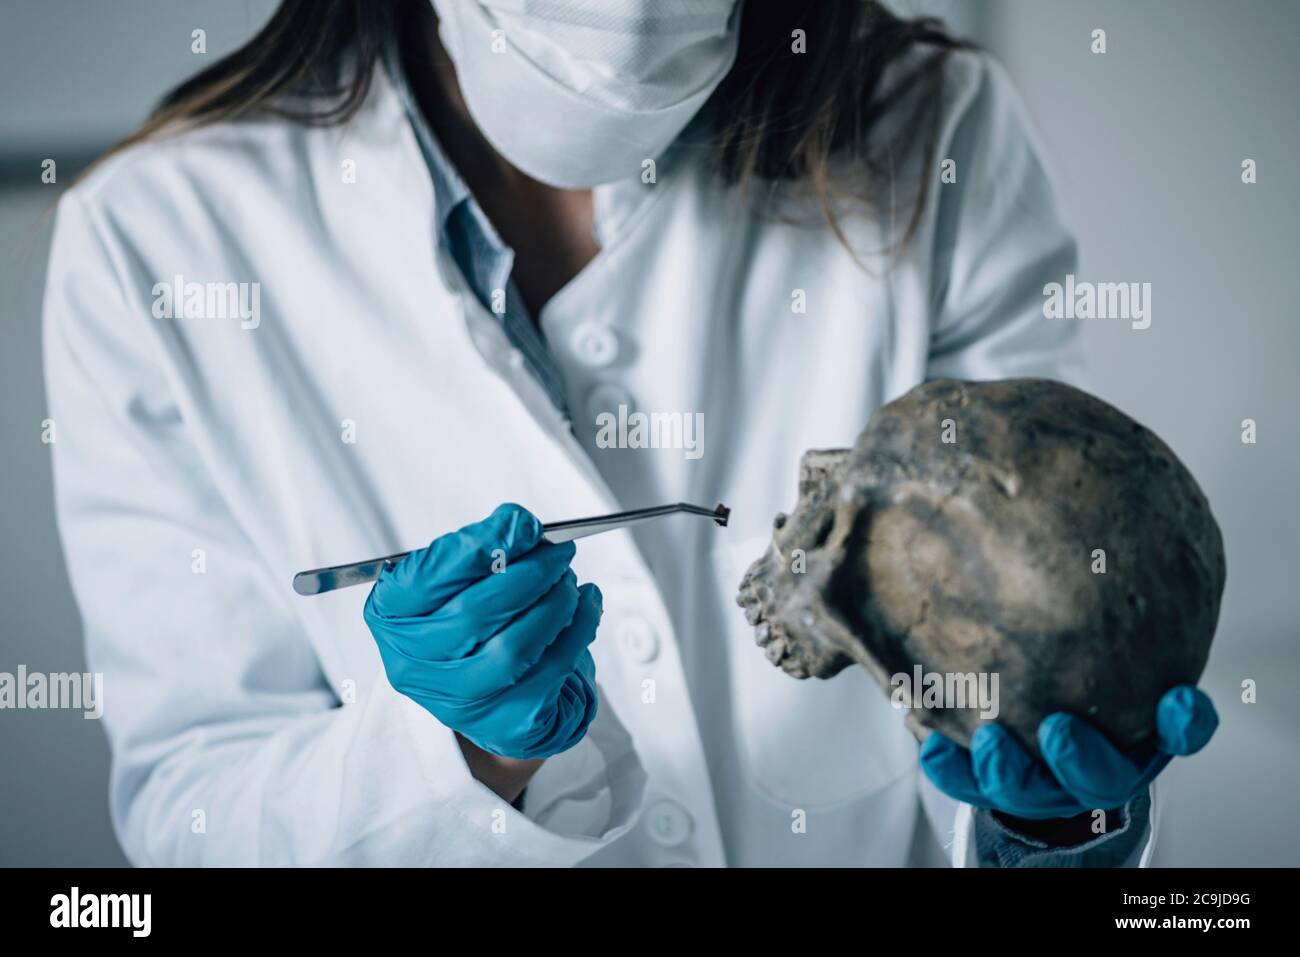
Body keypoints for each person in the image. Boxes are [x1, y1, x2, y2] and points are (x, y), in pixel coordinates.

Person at [43, 0, 1216, 867]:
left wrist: (1051, 829)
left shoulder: (932, 126)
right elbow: (193, 809)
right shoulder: (155, 237)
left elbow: (1034, 594)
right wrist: (457, 756)